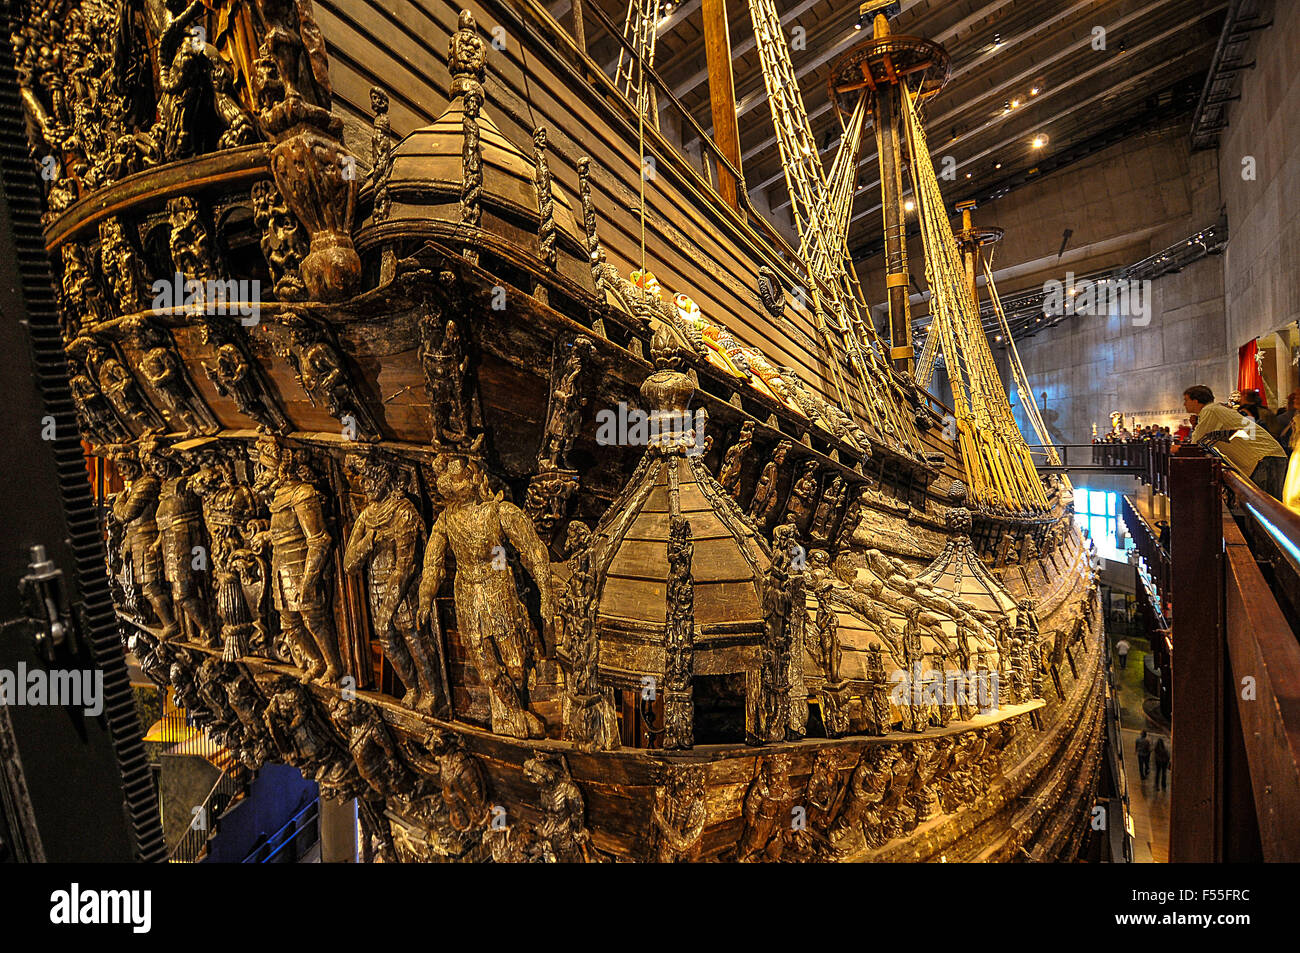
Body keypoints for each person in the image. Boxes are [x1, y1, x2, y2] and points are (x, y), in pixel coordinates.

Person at [1184, 385, 1288, 499]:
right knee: (1266, 506)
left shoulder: (1211, 410)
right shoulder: (1214, 410)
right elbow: (1205, 438)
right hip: (1266, 457)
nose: (1184, 404)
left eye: (1186, 400)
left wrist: (1176, 449)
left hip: (1264, 459)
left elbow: (1195, 443)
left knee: (1267, 508)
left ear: (1195, 401)